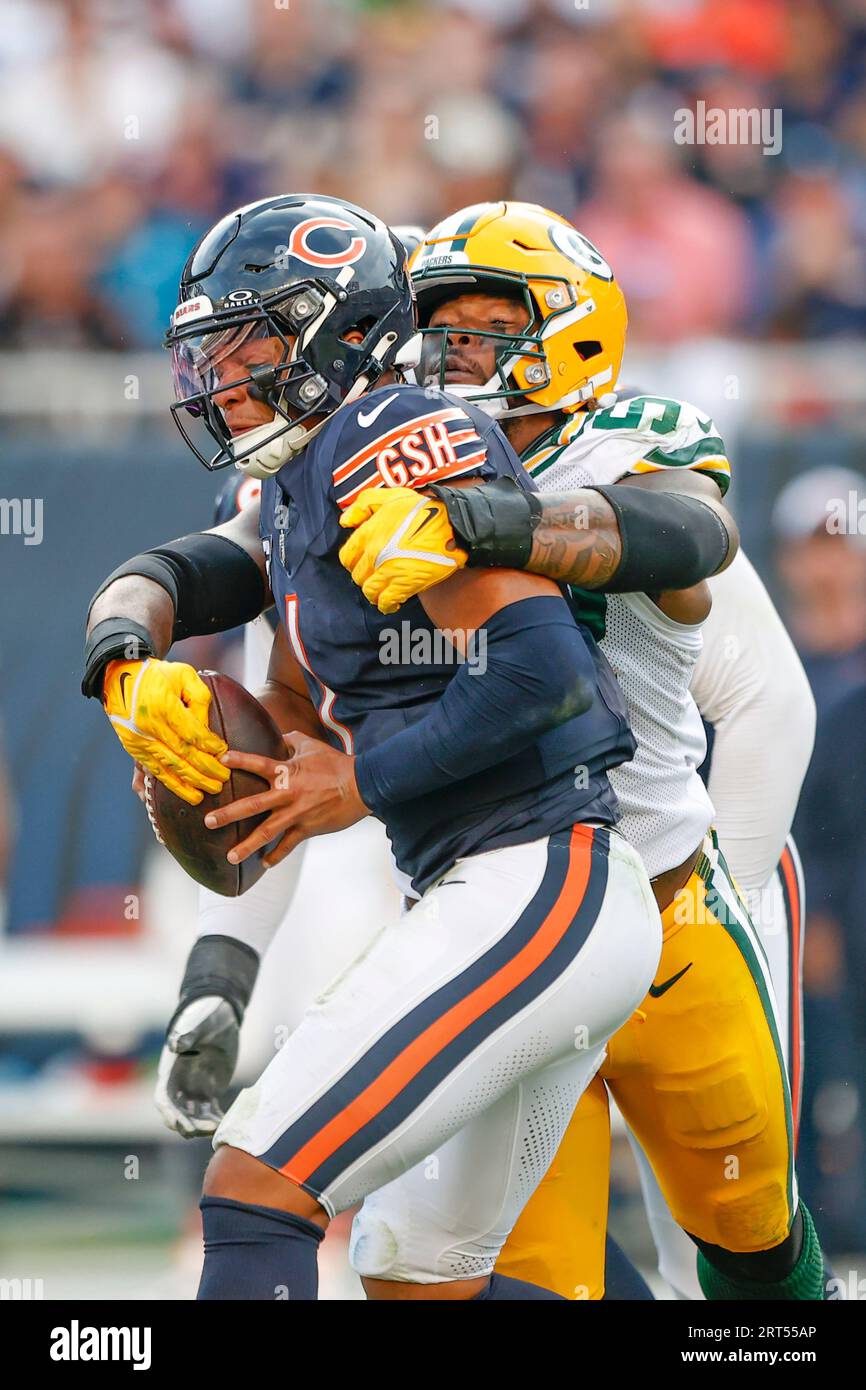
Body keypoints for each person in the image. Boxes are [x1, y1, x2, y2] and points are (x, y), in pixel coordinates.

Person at [82, 193, 663, 1301]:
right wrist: (139, 678)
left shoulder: (387, 435)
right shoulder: (305, 478)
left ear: (333, 329)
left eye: (248, 333)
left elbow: (543, 675)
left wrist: (356, 784)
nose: (223, 369)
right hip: (497, 882)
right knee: (414, 1275)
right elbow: (204, 593)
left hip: (539, 872)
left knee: (257, 1187)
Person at [336, 201, 823, 1301]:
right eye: (438, 330)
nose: (452, 355)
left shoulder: (632, 441)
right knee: (527, 1265)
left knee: (744, 1224)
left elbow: (685, 531)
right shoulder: (380, 467)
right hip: (505, 912)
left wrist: (479, 525)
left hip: (667, 904)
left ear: (572, 329)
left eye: (480, 326)